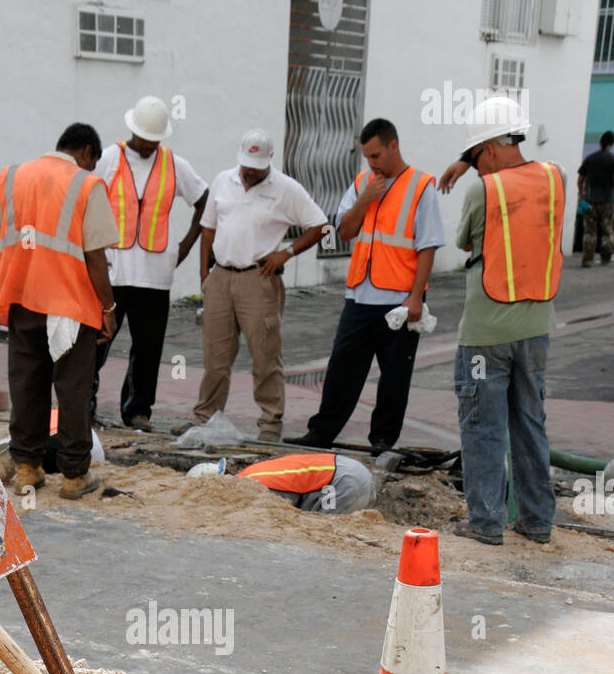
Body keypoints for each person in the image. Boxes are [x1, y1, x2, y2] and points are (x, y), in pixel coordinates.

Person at [442, 96, 565, 545]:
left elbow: (462, 239)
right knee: (530, 423)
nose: (475, 168)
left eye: (476, 159)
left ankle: (486, 522)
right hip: (537, 330)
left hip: (485, 336)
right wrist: (465, 157)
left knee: (482, 426)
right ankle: (536, 522)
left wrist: (470, 173)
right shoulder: (555, 178)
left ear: (490, 150)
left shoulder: (483, 190)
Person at [291, 118, 444, 455]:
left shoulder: (421, 186)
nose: (371, 163)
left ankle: (383, 440)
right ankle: (321, 432)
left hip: (400, 299)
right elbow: (343, 232)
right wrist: (365, 199)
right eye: (367, 157)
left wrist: (416, 296)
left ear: (393, 145)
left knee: (394, 375)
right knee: (342, 367)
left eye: (376, 155)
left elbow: (428, 246)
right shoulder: (363, 182)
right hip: (360, 293)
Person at [0, 123, 119, 499]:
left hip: (22, 298)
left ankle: (27, 469)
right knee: (72, 388)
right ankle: (75, 476)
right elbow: (95, 254)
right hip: (70, 307)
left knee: (27, 384)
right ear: (88, 152)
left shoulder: (12, 177)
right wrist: (107, 307)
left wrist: (23, 269)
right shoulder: (86, 184)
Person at [179, 130, 328, 442]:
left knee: (265, 358)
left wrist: (287, 252)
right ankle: (204, 419)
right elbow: (208, 229)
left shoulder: (286, 189)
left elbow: (322, 225)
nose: (250, 172)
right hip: (221, 277)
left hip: (259, 280)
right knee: (215, 359)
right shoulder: (223, 180)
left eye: (256, 167)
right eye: (247, 165)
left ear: (268, 161)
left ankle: (270, 425)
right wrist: (205, 277)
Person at [94, 96, 208, 430]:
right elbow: (83, 198)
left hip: (155, 276)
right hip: (112, 272)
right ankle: (85, 406)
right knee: (98, 344)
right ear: (132, 131)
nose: (147, 146)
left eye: (154, 141)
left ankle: (137, 411)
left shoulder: (175, 164)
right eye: (143, 139)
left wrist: (185, 246)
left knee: (147, 349)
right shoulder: (109, 158)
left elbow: (205, 201)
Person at [238, 451, 376, 514]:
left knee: (329, 528)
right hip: (348, 469)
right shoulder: (251, 472)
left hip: (341, 480)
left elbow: (283, 512)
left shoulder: (255, 486)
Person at [577, 131, 614, 268]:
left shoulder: (590, 158)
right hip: (606, 202)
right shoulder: (611, 160)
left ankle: (587, 260)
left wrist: (581, 193)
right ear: (610, 144)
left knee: (589, 232)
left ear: (600, 143)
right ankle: (605, 258)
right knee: (607, 231)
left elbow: (580, 179)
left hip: (590, 200)